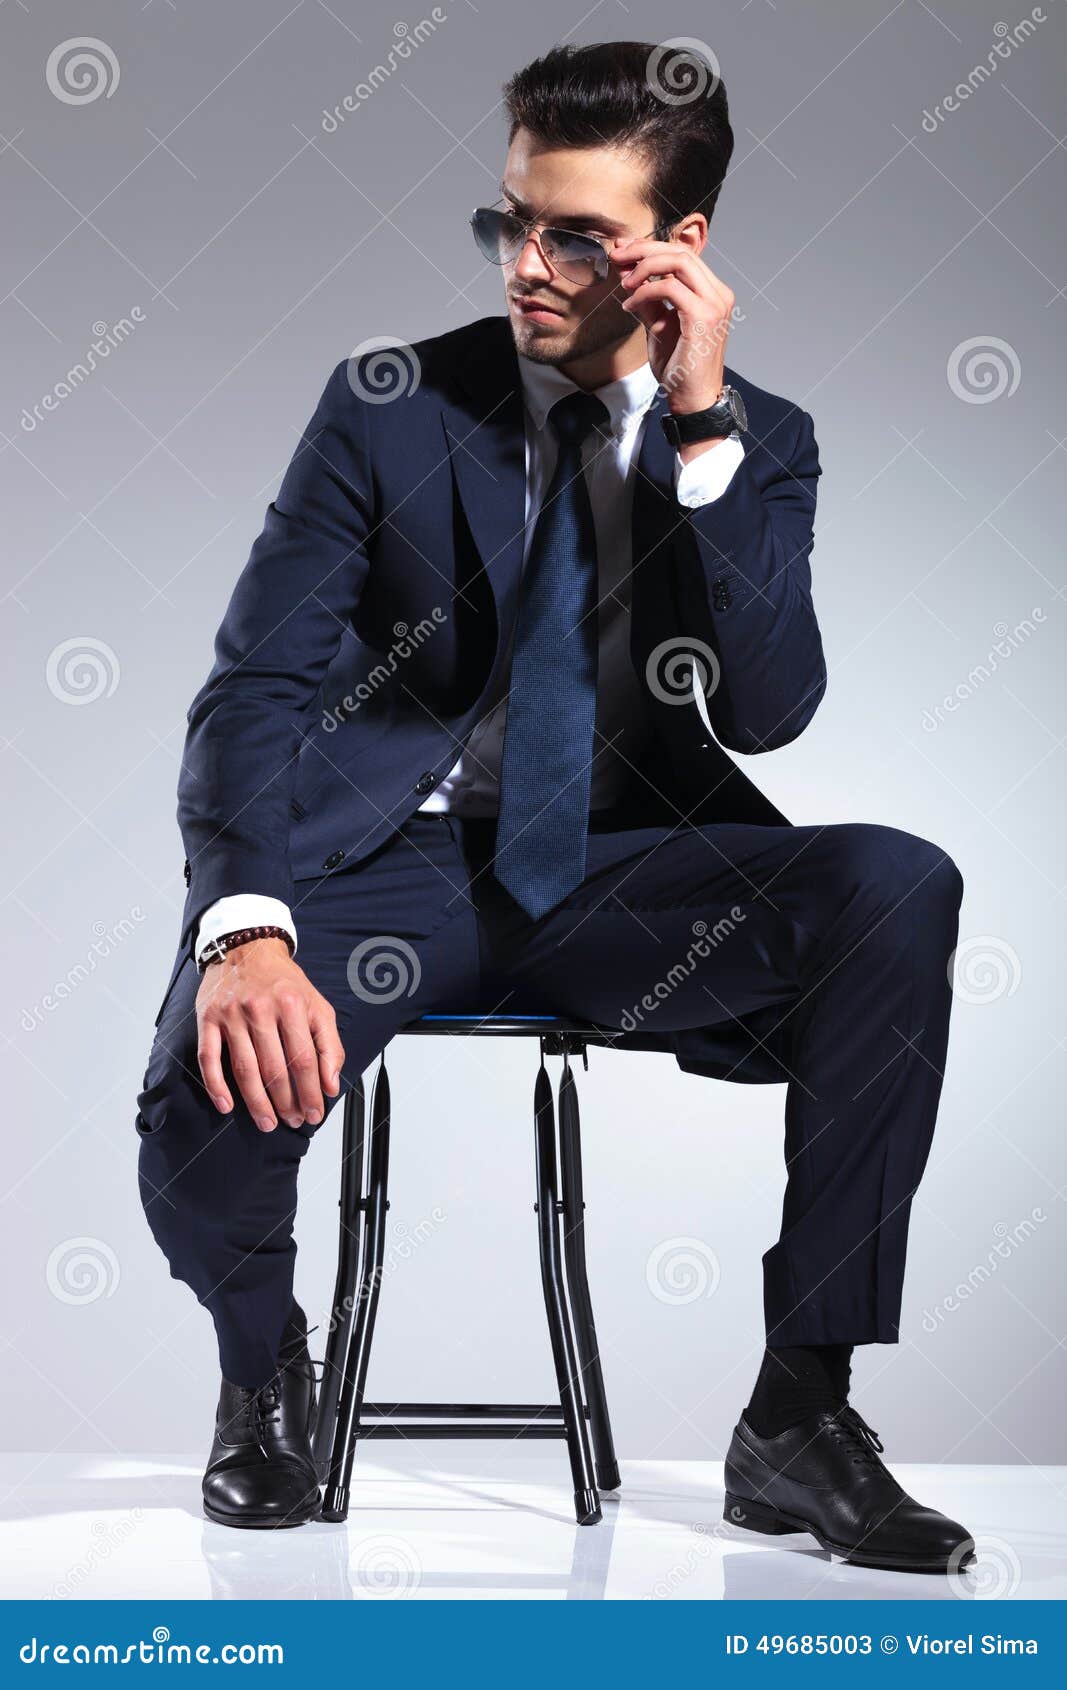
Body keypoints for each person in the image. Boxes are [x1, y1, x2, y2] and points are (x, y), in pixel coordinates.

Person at [135, 40, 973, 1569]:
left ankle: (798, 1410)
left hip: (617, 885)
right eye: (511, 220)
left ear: (679, 249)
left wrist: (701, 436)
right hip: (386, 871)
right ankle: (263, 1368)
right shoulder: (388, 404)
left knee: (901, 881)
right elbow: (255, 686)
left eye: (574, 234)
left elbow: (775, 706)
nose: (527, 263)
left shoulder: (758, 441)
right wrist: (245, 922)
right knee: (203, 1108)